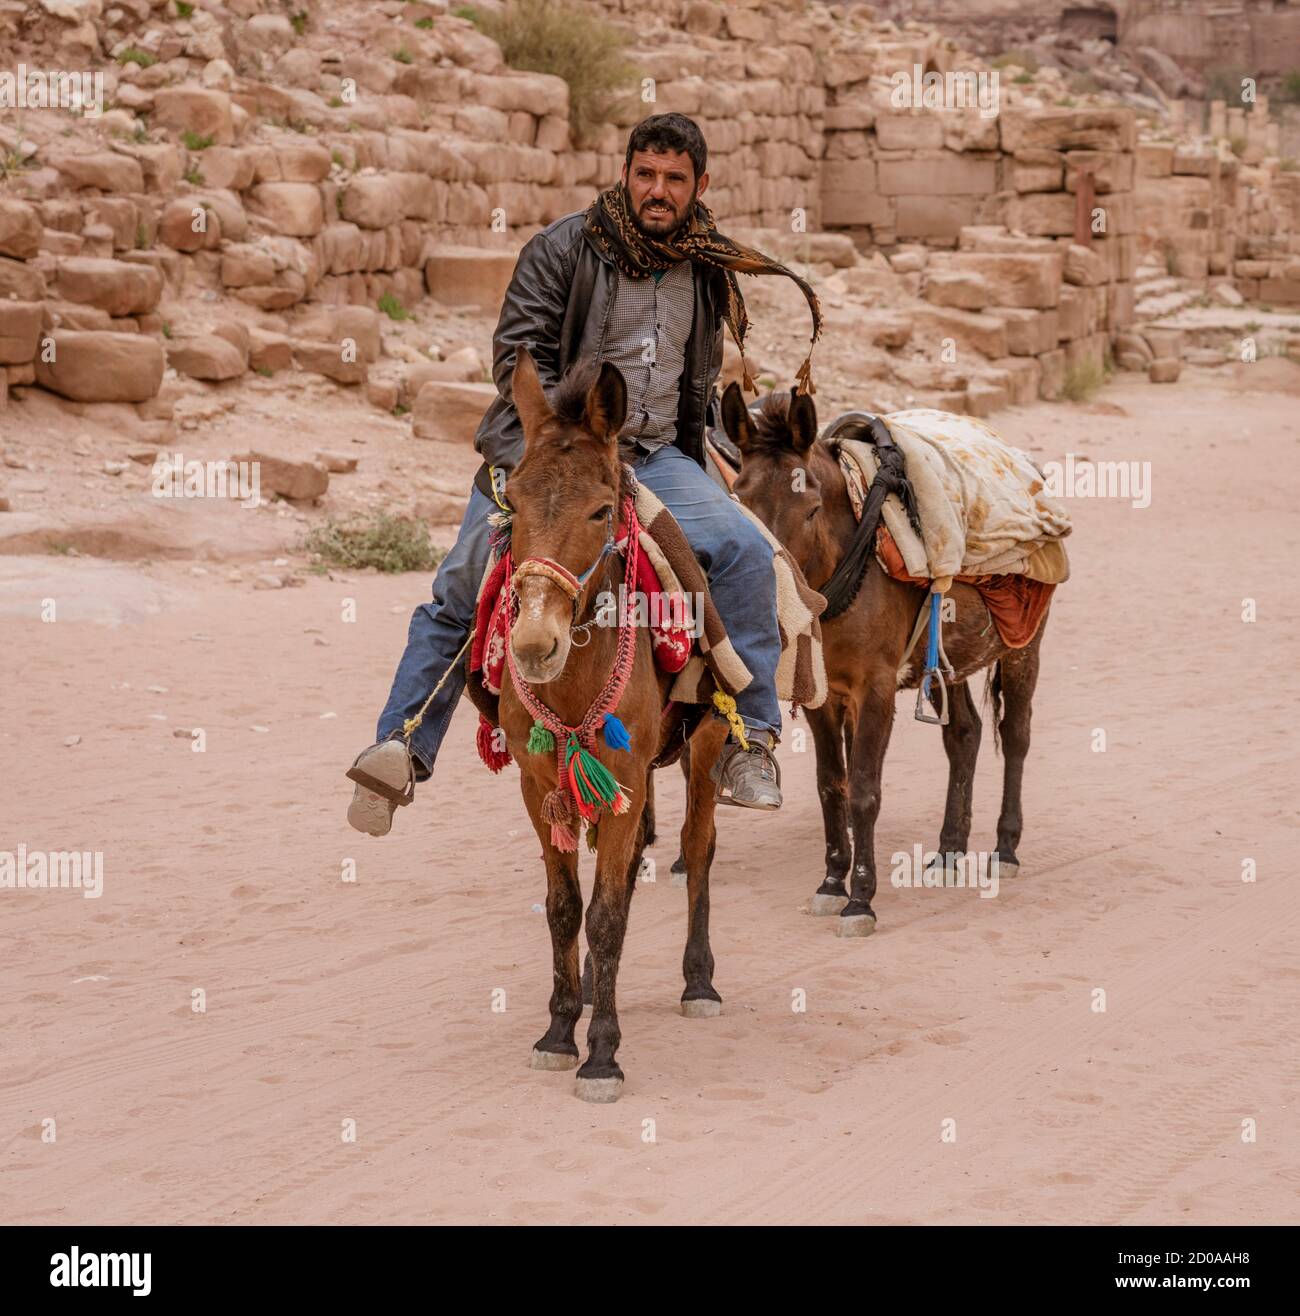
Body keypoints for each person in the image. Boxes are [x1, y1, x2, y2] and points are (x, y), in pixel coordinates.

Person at [346, 112, 822, 836]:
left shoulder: (706, 267)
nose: (657, 191)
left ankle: (750, 741)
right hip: (557, 451)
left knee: (749, 552)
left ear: (699, 185)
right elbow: (516, 358)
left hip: (658, 456)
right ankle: (402, 744)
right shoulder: (563, 248)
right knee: (467, 578)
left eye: (674, 179)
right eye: (645, 175)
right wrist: (549, 444)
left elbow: (696, 385)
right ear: (625, 173)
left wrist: (720, 453)